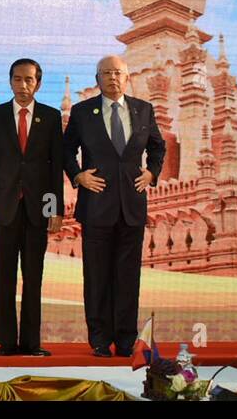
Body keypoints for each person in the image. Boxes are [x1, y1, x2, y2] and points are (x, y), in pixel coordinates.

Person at [63, 55, 164, 358]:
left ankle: (124, 339)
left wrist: (152, 172)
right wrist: (78, 175)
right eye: (106, 73)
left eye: (118, 73)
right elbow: (66, 149)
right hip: (96, 206)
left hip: (132, 206)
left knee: (128, 275)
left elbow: (158, 146)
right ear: (98, 79)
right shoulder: (82, 112)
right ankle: (98, 338)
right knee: (96, 275)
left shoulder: (143, 109)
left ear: (127, 76)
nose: (112, 78)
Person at [0, 59, 64, 357]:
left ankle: (31, 342)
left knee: (33, 277)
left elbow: (55, 169)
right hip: (3, 209)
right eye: (17, 79)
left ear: (38, 83)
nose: (23, 85)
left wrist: (55, 210)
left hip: (38, 210)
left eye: (29, 80)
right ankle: (7, 342)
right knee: (3, 277)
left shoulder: (51, 118)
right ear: (10, 81)